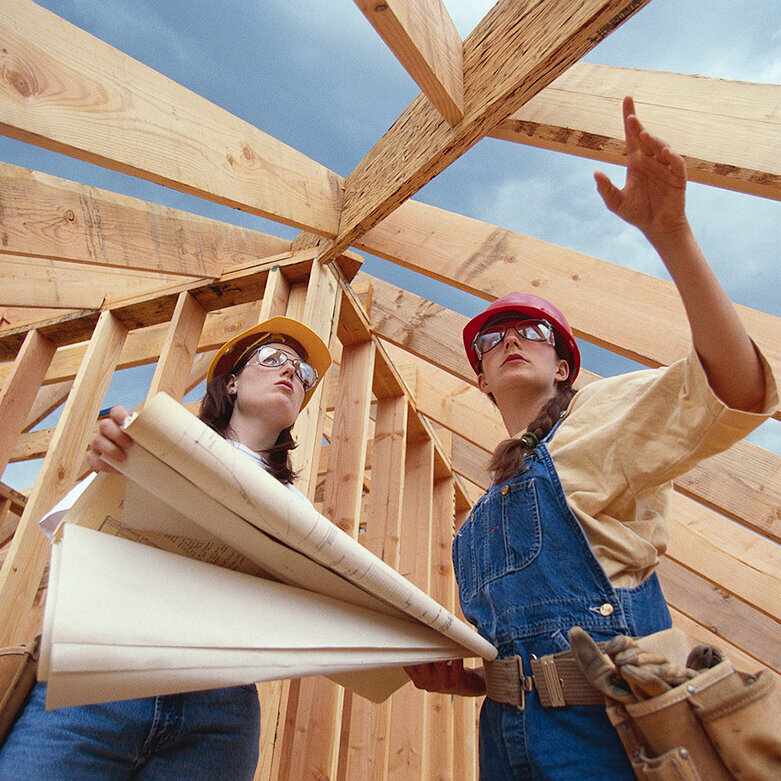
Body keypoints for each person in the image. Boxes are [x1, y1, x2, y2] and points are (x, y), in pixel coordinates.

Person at [405, 96, 778, 779]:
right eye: (492, 338)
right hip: (507, 744)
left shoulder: (603, 415)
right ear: (482, 378)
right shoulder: (480, 511)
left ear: (564, 364)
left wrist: (671, 235)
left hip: (609, 736)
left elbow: (738, 387)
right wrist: (459, 675)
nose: (511, 338)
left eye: (531, 331)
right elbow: (517, 647)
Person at [0, 316, 331, 780]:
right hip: (101, 677)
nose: (291, 373)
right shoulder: (155, 444)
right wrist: (112, 472)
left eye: (303, 373)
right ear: (231, 384)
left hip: (220, 712)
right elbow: (67, 554)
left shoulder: (300, 512)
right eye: (274, 359)